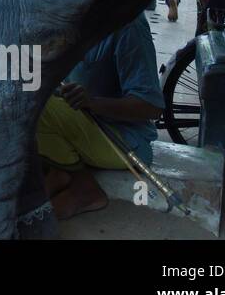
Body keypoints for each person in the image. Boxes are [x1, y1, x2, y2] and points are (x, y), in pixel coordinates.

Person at [37, 13, 164, 219]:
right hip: (84, 124)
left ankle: (84, 189)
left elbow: (151, 107)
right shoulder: (68, 17)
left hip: (123, 141)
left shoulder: (129, 25)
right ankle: (60, 172)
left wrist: (92, 103)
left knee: (44, 111)